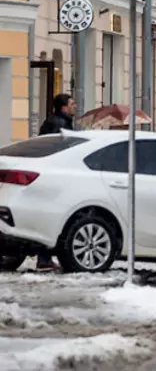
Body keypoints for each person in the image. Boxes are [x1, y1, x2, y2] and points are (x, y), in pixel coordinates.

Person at [34, 93, 76, 269]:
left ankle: (45, 258)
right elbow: (56, 148)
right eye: (72, 104)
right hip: (53, 175)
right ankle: (44, 258)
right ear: (63, 107)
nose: (75, 106)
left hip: (51, 173)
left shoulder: (60, 122)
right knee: (51, 215)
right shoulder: (59, 124)